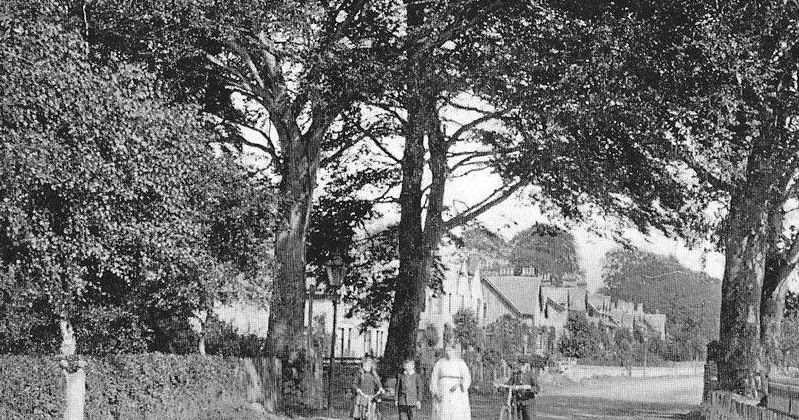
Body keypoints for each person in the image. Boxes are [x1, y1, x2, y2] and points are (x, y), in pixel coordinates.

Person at [430, 342, 471, 420]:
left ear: (454, 350)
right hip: (443, 393)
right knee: (442, 413)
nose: (448, 352)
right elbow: (434, 378)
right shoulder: (439, 363)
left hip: (457, 393)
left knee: (457, 413)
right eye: (447, 350)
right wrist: (435, 392)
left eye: (450, 350)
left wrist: (461, 385)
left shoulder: (460, 363)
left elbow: (466, 377)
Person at [352, 356, 385, 420]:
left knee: (372, 413)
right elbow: (354, 384)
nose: (366, 368)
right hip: (362, 396)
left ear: (371, 366)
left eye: (368, 366)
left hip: (371, 397)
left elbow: (378, 384)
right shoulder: (359, 374)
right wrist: (357, 389)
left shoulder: (374, 375)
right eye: (364, 366)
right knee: (359, 414)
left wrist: (380, 388)